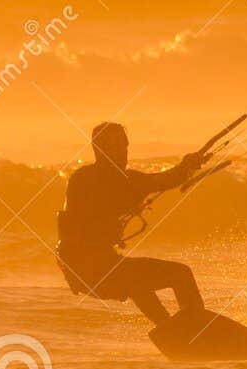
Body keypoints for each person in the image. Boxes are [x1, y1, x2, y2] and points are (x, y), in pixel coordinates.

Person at [57, 122, 207, 327]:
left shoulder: (80, 178)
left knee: (136, 281)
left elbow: (111, 200)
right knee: (181, 274)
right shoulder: (110, 181)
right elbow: (163, 181)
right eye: (117, 147)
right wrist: (187, 166)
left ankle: (169, 329)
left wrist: (185, 168)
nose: (123, 153)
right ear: (99, 149)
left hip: (82, 273)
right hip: (98, 271)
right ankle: (196, 329)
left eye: (125, 147)